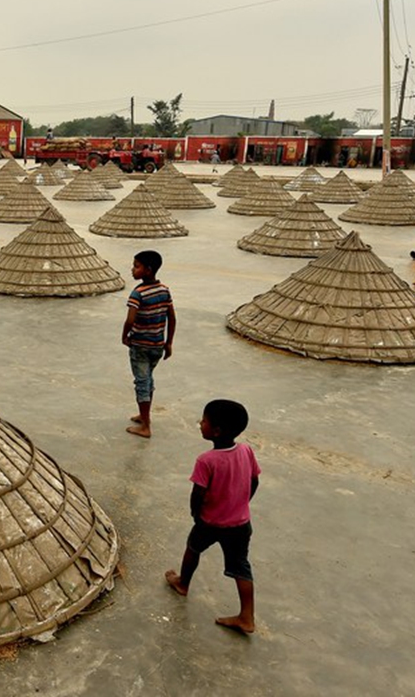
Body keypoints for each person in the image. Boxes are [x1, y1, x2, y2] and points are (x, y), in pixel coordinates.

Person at [165, 399, 259, 635]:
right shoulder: (246, 451)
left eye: (204, 421)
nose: (200, 423)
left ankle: (183, 583)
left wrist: (196, 514)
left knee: (193, 548)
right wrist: (242, 503)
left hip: (210, 522)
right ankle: (247, 616)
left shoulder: (206, 460)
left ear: (216, 430)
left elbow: (198, 492)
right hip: (240, 523)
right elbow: (254, 480)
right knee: (241, 567)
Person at [122, 250, 175, 438]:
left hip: (140, 346)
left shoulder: (138, 293)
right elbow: (172, 317)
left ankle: (145, 427)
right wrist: (168, 343)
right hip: (157, 346)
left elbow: (130, 320)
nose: (132, 269)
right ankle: (144, 415)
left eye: (136, 266)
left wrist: (124, 336)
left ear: (148, 270)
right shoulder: (164, 290)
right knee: (148, 379)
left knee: (142, 383)